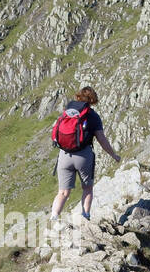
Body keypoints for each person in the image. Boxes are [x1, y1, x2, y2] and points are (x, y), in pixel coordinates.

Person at [49, 86, 121, 222]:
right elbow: (101, 139)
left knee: (63, 192)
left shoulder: (67, 112)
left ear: (78, 97)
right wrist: (114, 155)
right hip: (83, 156)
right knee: (87, 188)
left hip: (64, 155)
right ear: (93, 100)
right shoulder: (93, 116)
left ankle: (54, 217)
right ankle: (85, 216)